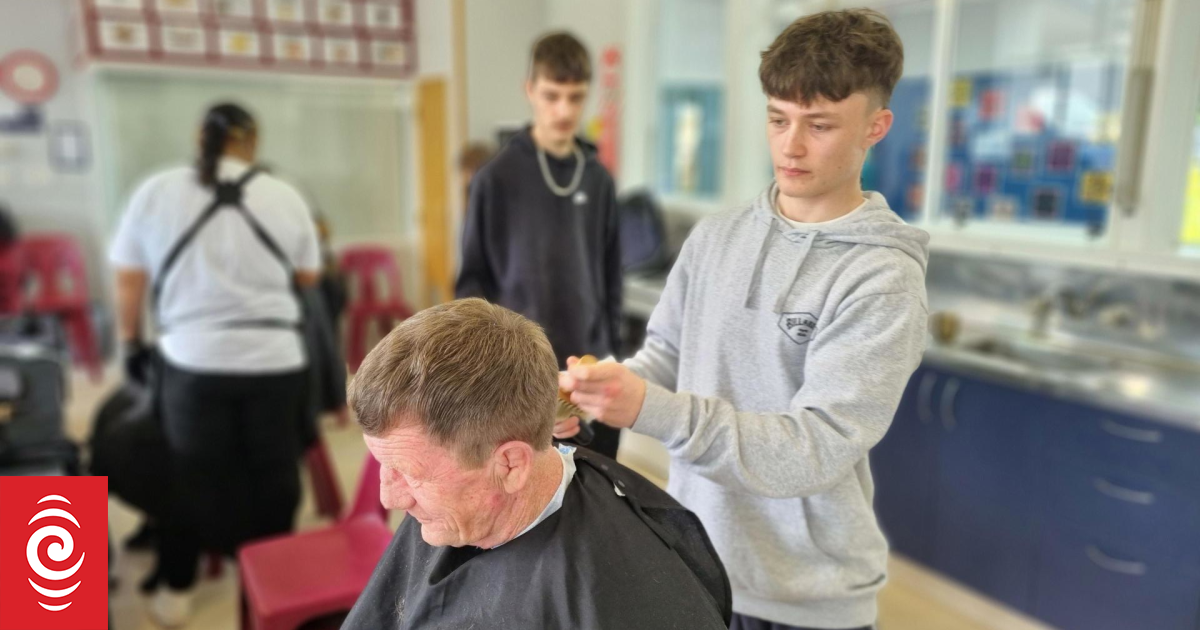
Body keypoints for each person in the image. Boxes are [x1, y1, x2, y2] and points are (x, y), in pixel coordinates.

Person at [557, 10, 929, 630]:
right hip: (698, 560)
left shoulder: (882, 277)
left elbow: (812, 450)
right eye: (778, 119)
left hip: (805, 600)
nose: (792, 145)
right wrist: (603, 388)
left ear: (876, 127)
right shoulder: (717, 237)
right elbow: (668, 355)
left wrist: (650, 408)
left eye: (820, 125)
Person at [340, 298, 731, 630]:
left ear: (511, 465)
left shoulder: (636, 597)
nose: (389, 499)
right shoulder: (444, 494)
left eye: (410, 473)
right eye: (383, 465)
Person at [110, 102, 320, 627]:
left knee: (188, 472)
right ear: (251, 141)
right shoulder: (285, 194)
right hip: (275, 360)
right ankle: (271, 583)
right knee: (273, 473)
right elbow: (310, 278)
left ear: (199, 135)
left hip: (191, 361)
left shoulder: (156, 191)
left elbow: (128, 282)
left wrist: (131, 342)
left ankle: (178, 588)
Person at [455, 31, 623, 458]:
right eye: (552, 96)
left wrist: (611, 356)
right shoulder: (495, 179)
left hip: (589, 368)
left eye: (575, 97)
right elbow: (472, 283)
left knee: (599, 495)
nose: (564, 110)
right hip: (521, 374)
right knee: (532, 504)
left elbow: (610, 273)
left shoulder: (598, 178)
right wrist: (491, 375)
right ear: (529, 90)